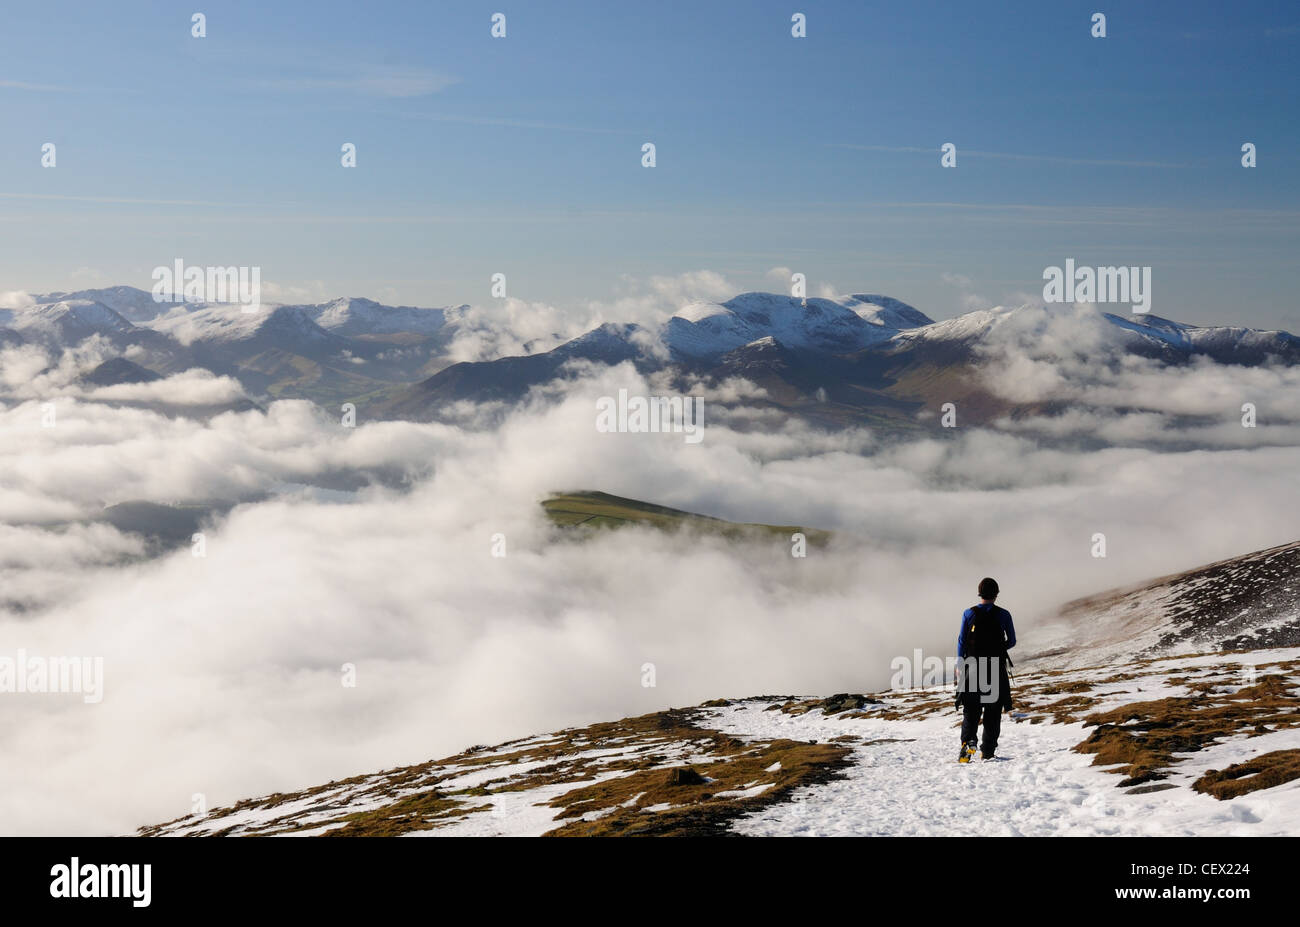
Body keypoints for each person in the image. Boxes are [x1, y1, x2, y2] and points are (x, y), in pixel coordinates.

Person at [956, 577, 1016, 762]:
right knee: (993, 711)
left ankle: (967, 746)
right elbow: (1012, 641)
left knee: (971, 711)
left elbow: (962, 641)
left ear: (979, 593)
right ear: (996, 594)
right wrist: (997, 648)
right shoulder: (1004, 614)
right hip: (995, 668)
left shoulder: (968, 614)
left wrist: (960, 665)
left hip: (972, 667)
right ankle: (988, 752)